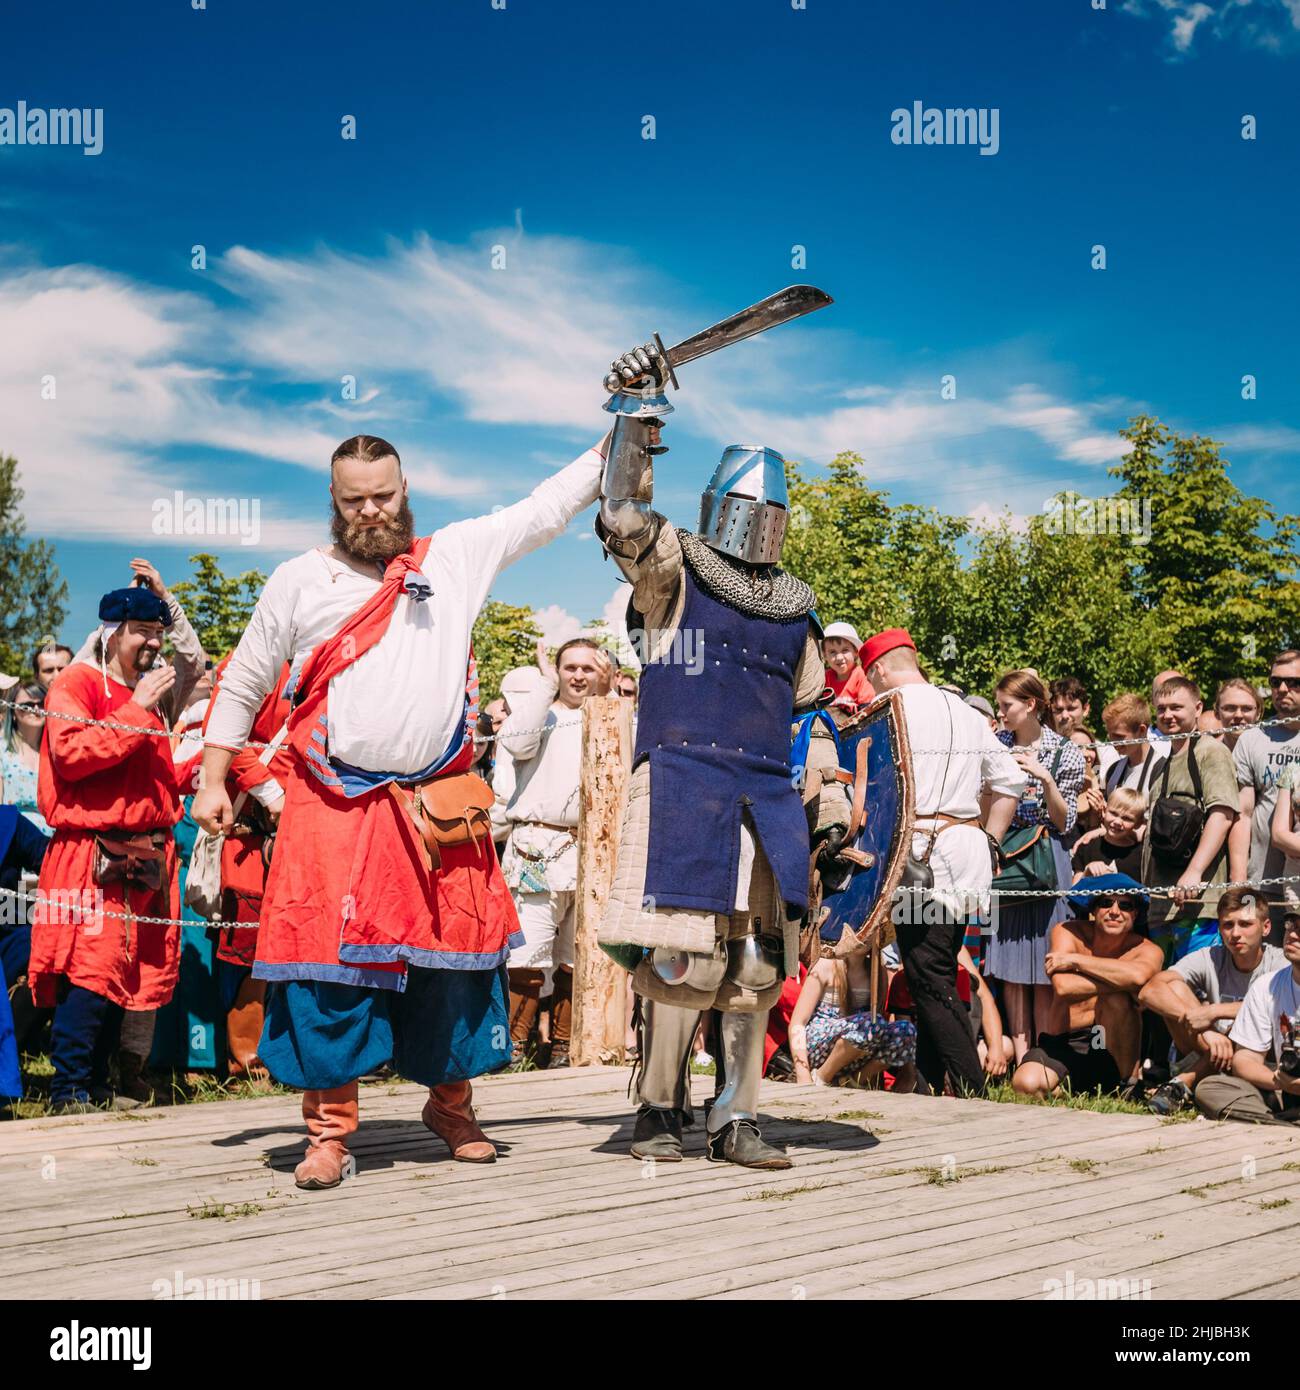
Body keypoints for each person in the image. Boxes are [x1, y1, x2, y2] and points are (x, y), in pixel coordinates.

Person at [195, 430, 608, 1188]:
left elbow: (546, 509)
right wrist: (214, 778)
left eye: (382, 495)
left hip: (437, 808)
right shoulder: (300, 580)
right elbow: (246, 681)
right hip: (332, 806)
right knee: (331, 976)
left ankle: (450, 1108)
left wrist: (621, 435)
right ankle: (328, 1133)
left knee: (453, 971)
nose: (370, 510)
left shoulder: (451, 557)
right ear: (333, 501)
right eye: (353, 500)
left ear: (404, 485)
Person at [595, 342, 849, 1170]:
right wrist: (638, 415)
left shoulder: (796, 607)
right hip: (681, 783)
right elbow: (625, 516)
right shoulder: (676, 570)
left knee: (755, 966)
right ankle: (658, 1110)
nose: (758, 518)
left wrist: (835, 801)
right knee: (680, 957)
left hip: (764, 798)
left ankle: (737, 1114)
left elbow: (810, 713)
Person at [29, 562, 206, 1110]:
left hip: (147, 856)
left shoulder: (150, 687)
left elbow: (195, 662)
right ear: (112, 634)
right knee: (90, 973)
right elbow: (72, 754)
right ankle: (70, 1090)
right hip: (92, 854)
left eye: (157, 633)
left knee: (125, 975)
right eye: (142, 633)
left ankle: (101, 1086)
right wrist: (137, 709)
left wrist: (167, 602)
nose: (153, 643)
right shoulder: (76, 683)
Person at [860, 630, 1024, 1095]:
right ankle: (930, 1085)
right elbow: (1010, 781)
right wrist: (990, 841)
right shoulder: (968, 713)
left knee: (927, 973)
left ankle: (972, 1092)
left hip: (921, 855)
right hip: (965, 849)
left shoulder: (888, 710)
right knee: (940, 960)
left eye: (871, 679)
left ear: (878, 669)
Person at [498, 637, 612, 1069]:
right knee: (527, 955)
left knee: (574, 957)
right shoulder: (540, 715)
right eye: (570, 668)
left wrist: (608, 694)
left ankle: (564, 1049)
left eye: (588, 668)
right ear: (558, 671)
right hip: (537, 849)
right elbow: (515, 744)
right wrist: (544, 685)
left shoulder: (611, 716)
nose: (578, 676)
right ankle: (511, 1048)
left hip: (592, 853)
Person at [987, 669, 1087, 1063]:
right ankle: (1021, 1052)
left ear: (1030, 705)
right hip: (1007, 858)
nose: (1001, 713)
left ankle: (1042, 1055)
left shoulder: (1066, 752)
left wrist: (1046, 780)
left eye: (1006, 705)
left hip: (1049, 860)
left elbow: (1066, 822)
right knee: (1010, 960)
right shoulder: (995, 745)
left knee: (1045, 962)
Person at [1011, 875, 1163, 1098]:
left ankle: (1125, 1086)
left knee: (1116, 1000)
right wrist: (1121, 981)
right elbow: (1064, 987)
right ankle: (1078, 1087)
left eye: (1125, 905)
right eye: (1105, 903)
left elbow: (1139, 976)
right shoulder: (1068, 931)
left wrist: (1076, 961)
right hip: (1066, 1042)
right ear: (1093, 909)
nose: (1114, 911)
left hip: (1111, 1042)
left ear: (1135, 914)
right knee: (1026, 1084)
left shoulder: (1147, 949)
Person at [1138, 888, 1286, 1115]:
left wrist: (1214, 1011)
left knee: (1243, 1024)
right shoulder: (1211, 956)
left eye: (1245, 924)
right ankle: (1197, 1080)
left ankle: (1183, 1083)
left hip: (1258, 1059)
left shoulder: (1279, 963)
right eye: (1228, 925)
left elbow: (1273, 1007)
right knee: (1174, 987)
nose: (1235, 933)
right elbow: (1149, 991)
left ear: (1265, 927)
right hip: (1211, 1047)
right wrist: (1207, 1030)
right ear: (1219, 928)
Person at [1142, 676, 1240, 962]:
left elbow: (1223, 815)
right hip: (1161, 906)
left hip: (1199, 906)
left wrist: (1195, 871)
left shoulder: (1211, 752)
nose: (1167, 715)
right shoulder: (1163, 764)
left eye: (1176, 707)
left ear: (1197, 709)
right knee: (1164, 993)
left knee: (1197, 990)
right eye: (1161, 709)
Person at [1192, 904, 1300, 1124]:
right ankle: (1284, 1124)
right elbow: (1245, 1059)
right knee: (1212, 1087)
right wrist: (1280, 1081)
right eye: (1291, 926)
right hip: (1287, 1090)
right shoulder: (1267, 985)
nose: (1293, 935)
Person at [1229, 650, 1300, 942]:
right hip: (1264, 880)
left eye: (1295, 682)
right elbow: (1242, 814)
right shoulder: (1252, 739)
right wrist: (1239, 880)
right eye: (1276, 682)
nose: (1283, 689)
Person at [787, 944, 915, 1086]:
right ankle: (822, 1077)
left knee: (905, 1031)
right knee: (871, 1023)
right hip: (820, 1048)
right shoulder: (825, 964)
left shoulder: (877, 971)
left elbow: (877, 1031)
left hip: (856, 1053)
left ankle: (854, 1081)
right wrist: (802, 1072)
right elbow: (798, 1023)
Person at [0, 683, 52, 835]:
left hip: (53, 843)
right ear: (13, 713)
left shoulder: (56, 755)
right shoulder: (2, 751)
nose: (35, 710)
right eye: (27, 705)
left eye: (41, 704)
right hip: (15, 839)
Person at [1070, 787, 1146, 883]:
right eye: (1113, 813)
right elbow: (1074, 893)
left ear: (1138, 823)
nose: (1118, 822)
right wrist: (1087, 873)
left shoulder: (1141, 855)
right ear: (1104, 811)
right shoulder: (1087, 848)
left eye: (1127, 818)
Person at [1051, 676, 1118, 782]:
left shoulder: (1105, 753)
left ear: (1086, 709)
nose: (1064, 715)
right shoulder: (1045, 750)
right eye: (1058, 710)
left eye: (1071, 708)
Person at [1100, 693, 1167, 797]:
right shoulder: (1113, 770)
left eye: (1119, 736)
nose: (1112, 742)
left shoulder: (1161, 770)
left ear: (1142, 730)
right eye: (1110, 735)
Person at [821, 621, 874, 715]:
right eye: (832, 652)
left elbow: (867, 711)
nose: (839, 657)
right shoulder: (825, 678)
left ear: (856, 652)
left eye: (845, 650)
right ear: (825, 655)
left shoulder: (861, 676)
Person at [1214, 678, 1261, 753]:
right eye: (1230, 708)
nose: (1238, 715)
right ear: (1217, 713)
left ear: (1258, 713)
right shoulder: (1207, 754)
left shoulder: (1269, 752)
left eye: (1247, 708)